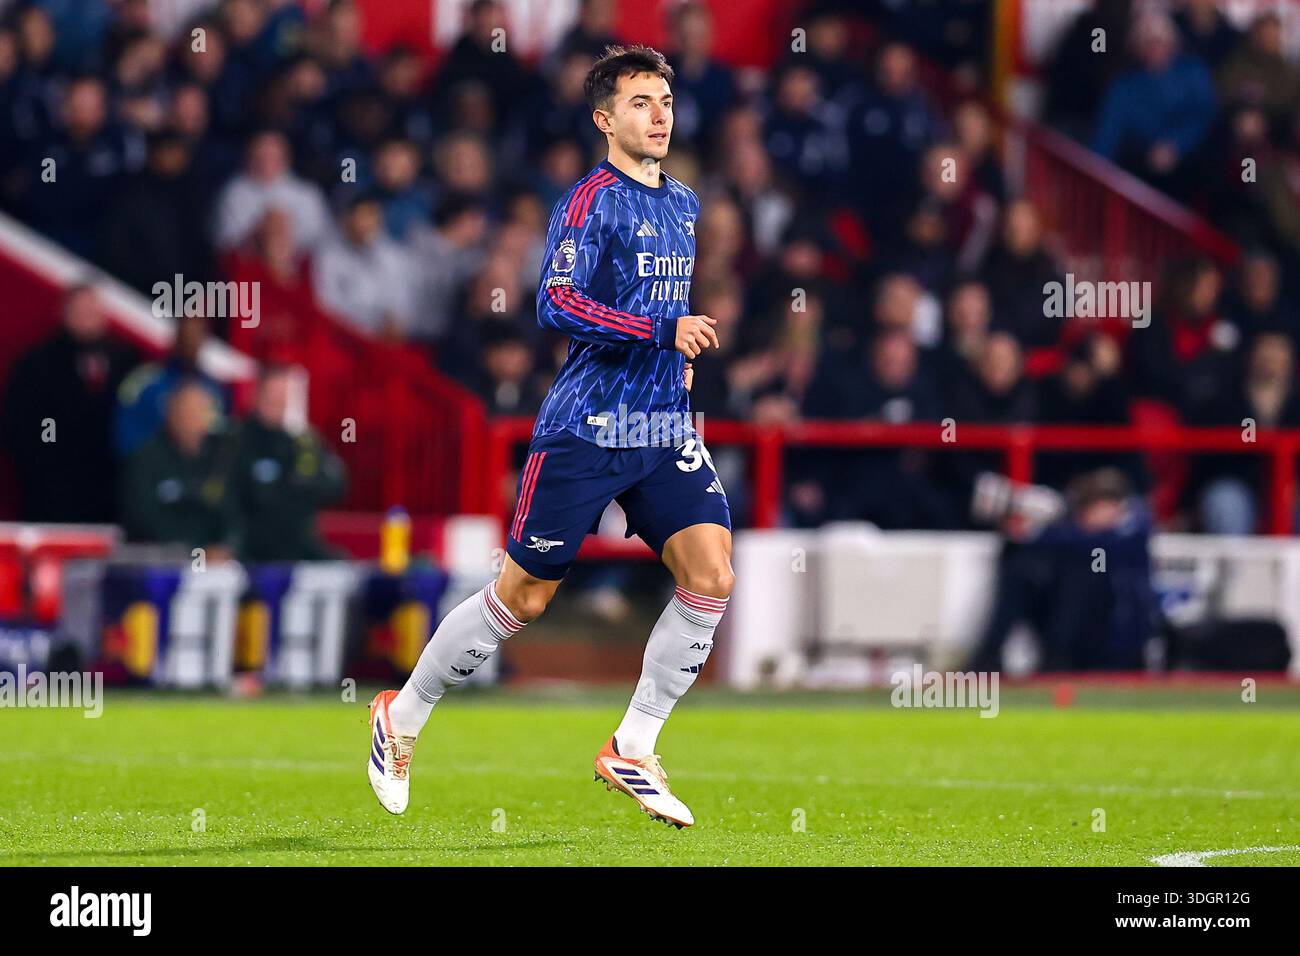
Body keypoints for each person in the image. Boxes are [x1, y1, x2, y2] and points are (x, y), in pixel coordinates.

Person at [366, 46, 730, 829]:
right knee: (523, 595)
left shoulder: (685, 204)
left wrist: (681, 362)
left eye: (665, 99)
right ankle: (404, 715)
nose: (659, 113)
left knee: (713, 571)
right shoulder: (588, 202)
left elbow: (666, 300)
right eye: (640, 101)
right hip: (586, 426)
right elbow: (556, 305)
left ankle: (633, 745)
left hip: (661, 424)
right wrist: (663, 330)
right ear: (605, 119)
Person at [0, 284, 138, 522]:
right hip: (52, 492)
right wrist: (48, 449)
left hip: (110, 492)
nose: (87, 318)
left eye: (92, 310)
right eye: (79, 310)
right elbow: (21, 425)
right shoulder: (36, 363)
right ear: (63, 313)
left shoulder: (126, 360)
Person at [231, 364, 348, 562]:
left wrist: (301, 479)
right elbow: (245, 499)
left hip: (299, 545)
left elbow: (336, 486)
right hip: (252, 550)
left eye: (283, 395)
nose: (278, 401)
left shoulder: (304, 442)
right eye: (272, 394)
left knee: (341, 570)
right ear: (256, 395)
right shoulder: (237, 441)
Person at [118, 379, 240, 558]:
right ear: (170, 413)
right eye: (186, 412)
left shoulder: (219, 459)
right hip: (159, 562)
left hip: (209, 561)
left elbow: (231, 514)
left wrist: (227, 546)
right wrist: (196, 551)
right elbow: (142, 519)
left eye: (199, 412)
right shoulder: (145, 459)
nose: (192, 419)